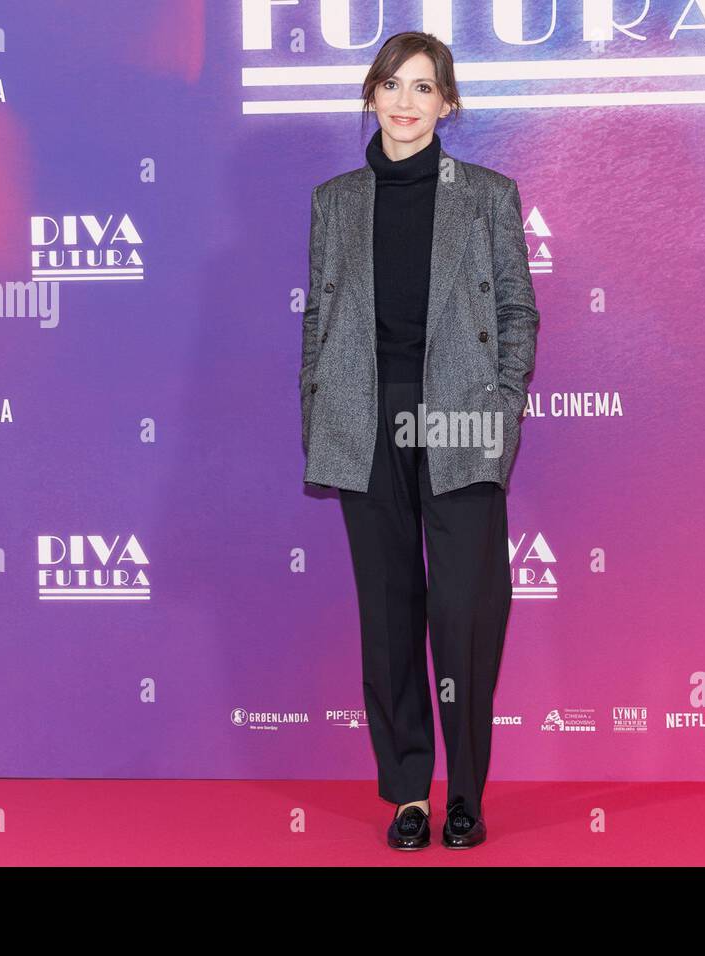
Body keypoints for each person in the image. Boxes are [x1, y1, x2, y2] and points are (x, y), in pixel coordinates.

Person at [299, 32, 540, 850]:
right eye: (392, 84)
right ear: (371, 95)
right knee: (390, 615)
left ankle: (465, 794)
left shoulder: (488, 196)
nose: (405, 101)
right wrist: (319, 415)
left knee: (466, 615)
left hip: (460, 422)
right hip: (366, 426)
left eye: (424, 87)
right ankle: (407, 792)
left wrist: (501, 411)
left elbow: (516, 313)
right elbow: (318, 322)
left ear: (447, 103)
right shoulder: (335, 201)